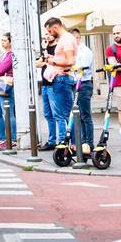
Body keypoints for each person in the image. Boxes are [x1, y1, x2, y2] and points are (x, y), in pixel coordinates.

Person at [41, 17, 78, 151]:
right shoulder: (66, 38)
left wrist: (53, 62)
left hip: (62, 78)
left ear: (55, 27)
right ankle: (73, 144)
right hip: (63, 78)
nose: (50, 33)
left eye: (50, 30)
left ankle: (65, 145)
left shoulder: (66, 39)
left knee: (61, 115)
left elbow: (70, 61)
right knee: (67, 114)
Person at [70, 27, 95, 159]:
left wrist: (73, 67)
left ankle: (89, 144)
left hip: (84, 84)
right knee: (78, 116)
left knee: (86, 115)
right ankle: (82, 143)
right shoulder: (73, 51)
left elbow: (83, 68)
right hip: (76, 84)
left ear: (78, 38)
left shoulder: (85, 51)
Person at [0, 34, 16, 149]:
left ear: (10, 42)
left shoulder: (10, 55)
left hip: (6, 85)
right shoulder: (2, 55)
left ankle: (13, 138)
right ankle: (2, 138)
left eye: (5, 40)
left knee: (8, 113)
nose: (2, 42)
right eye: (1, 40)